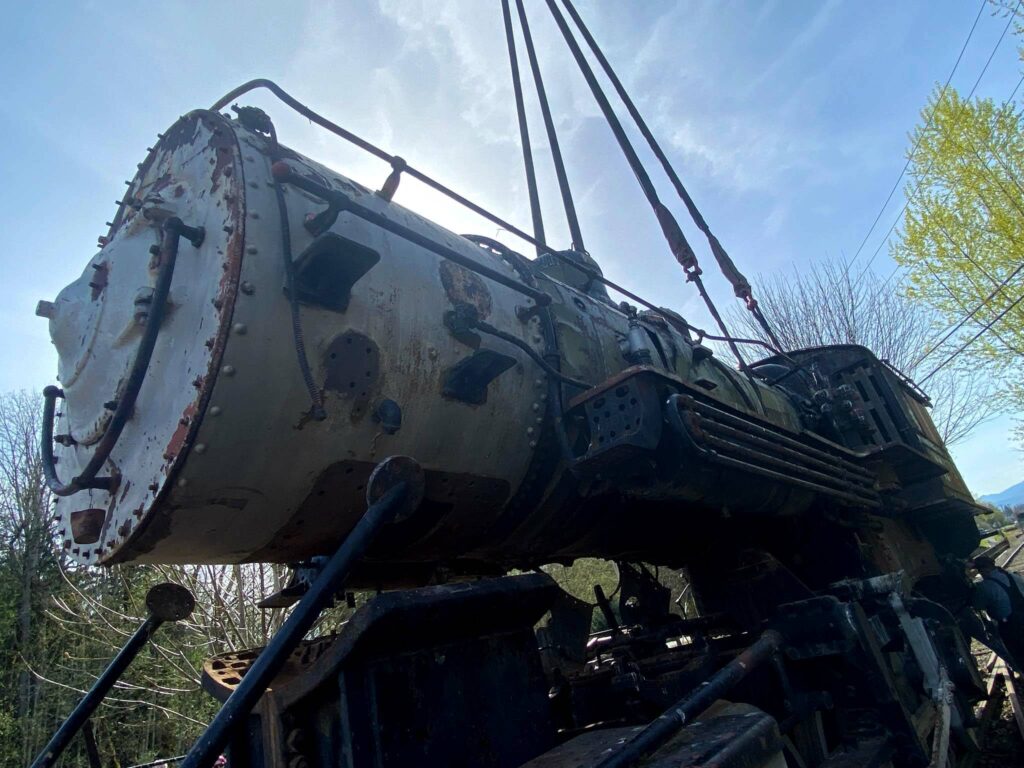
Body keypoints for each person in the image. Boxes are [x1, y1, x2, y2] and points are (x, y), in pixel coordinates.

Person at [972, 555, 1024, 670]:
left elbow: (977, 605)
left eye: (980, 570)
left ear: (984, 569)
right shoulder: (1013, 576)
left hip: (1010, 627)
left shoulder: (985, 586)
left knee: (1019, 655)